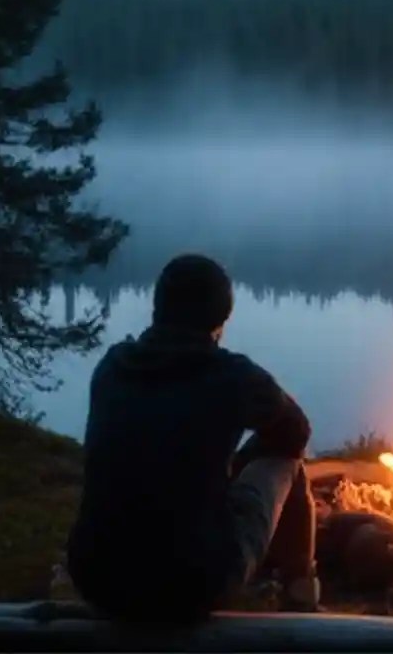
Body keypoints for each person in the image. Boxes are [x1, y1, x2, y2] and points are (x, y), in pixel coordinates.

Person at [67, 254, 320, 622]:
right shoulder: (232, 376)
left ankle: (269, 577)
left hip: (97, 577)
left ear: (157, 308)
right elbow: (296, 434)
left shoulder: (113, 365)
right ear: (222, 317)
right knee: (287, 461)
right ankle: (301, 595)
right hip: (193, 584)